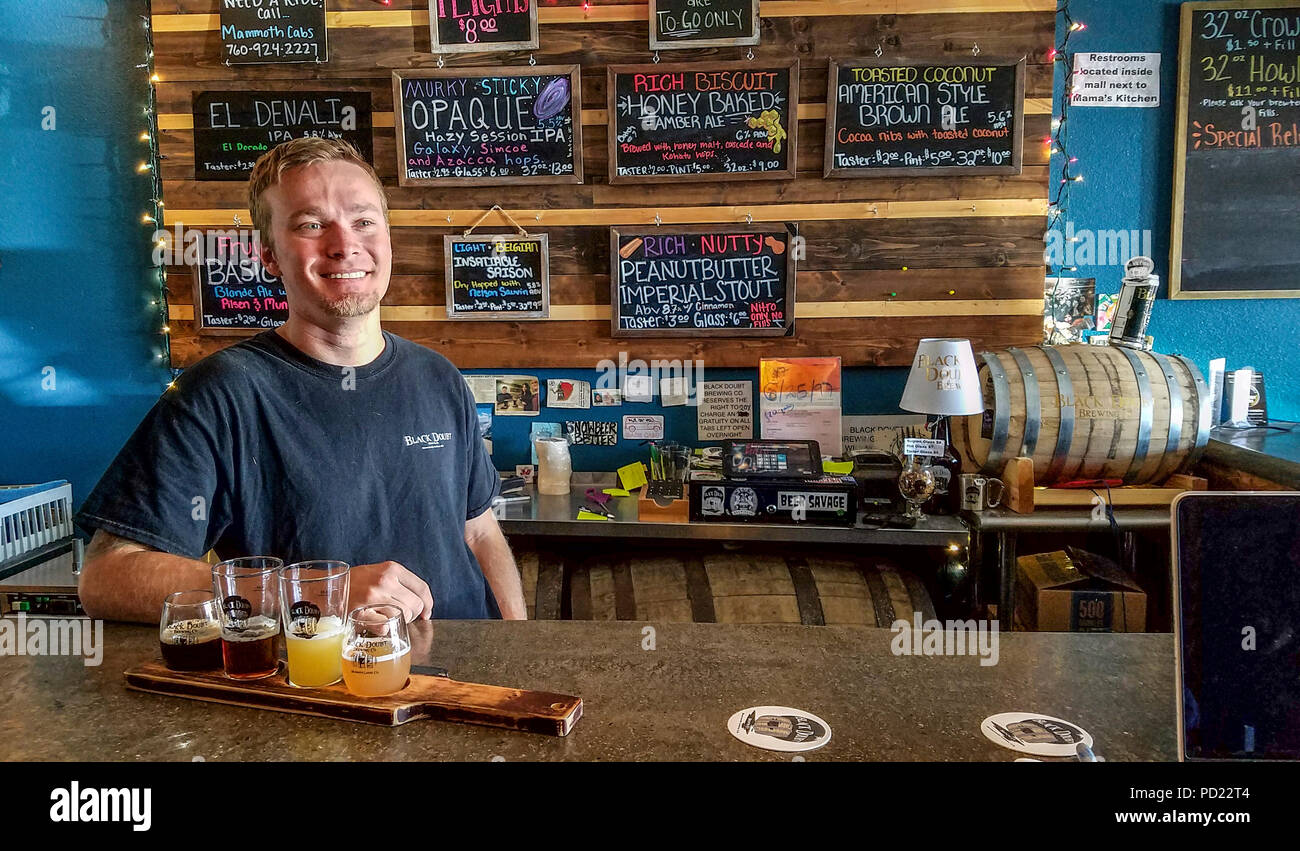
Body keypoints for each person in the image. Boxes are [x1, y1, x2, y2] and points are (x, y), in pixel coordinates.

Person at [75, 137, 526, 623]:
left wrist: (520, 646)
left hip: (473, 683)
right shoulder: (221, 395)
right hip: (319, 688)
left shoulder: (438, 377)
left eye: (364, 221)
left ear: (388, 239)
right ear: (269, 255)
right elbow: (108, 577)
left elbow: (478, 531)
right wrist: (308, 592)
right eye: (312, 225)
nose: (344, 244)